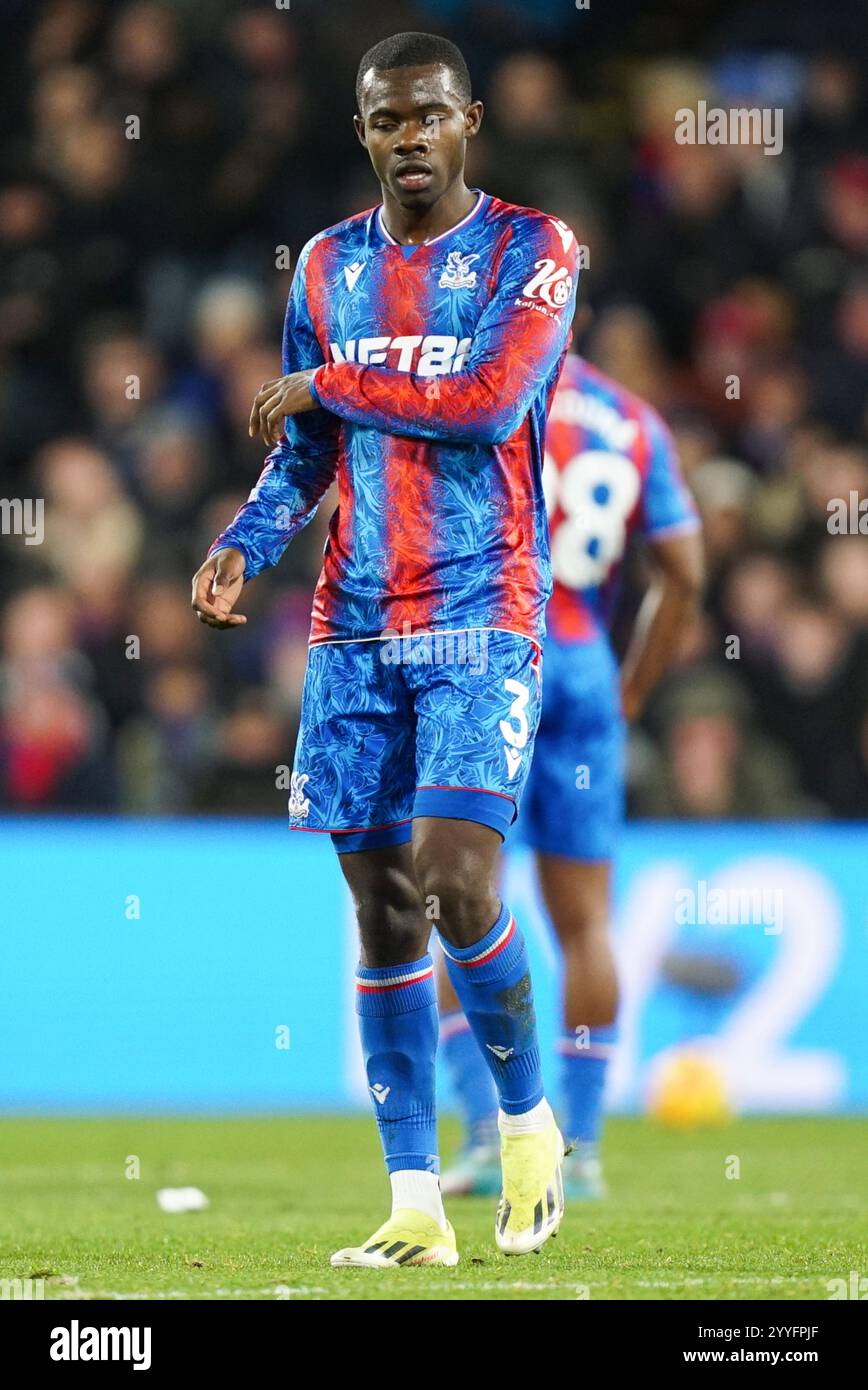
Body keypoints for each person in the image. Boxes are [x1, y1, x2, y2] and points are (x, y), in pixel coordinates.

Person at [191, 31, 580, 1268]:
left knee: (459, 879)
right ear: (361, 133)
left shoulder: (536, 250)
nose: (406, 139)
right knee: (385, 915)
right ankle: (415, 1202)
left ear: (467, 118)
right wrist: (245, 543)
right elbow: (304, 447)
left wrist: (326, 384)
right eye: (382, 122)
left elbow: (489, 402)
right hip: (353, 627)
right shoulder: (324, 268)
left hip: (482, 609)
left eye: (426, 117)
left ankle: (526, 1128)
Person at [437, 352, 703, 1198]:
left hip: (490, 657)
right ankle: (579, 1152)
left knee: (460, 900)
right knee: (586, 923)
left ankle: (492, 1136)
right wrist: (633, 688)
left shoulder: (477, 390)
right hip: (585, 668)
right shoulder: (634, 419)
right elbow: (685, 575)